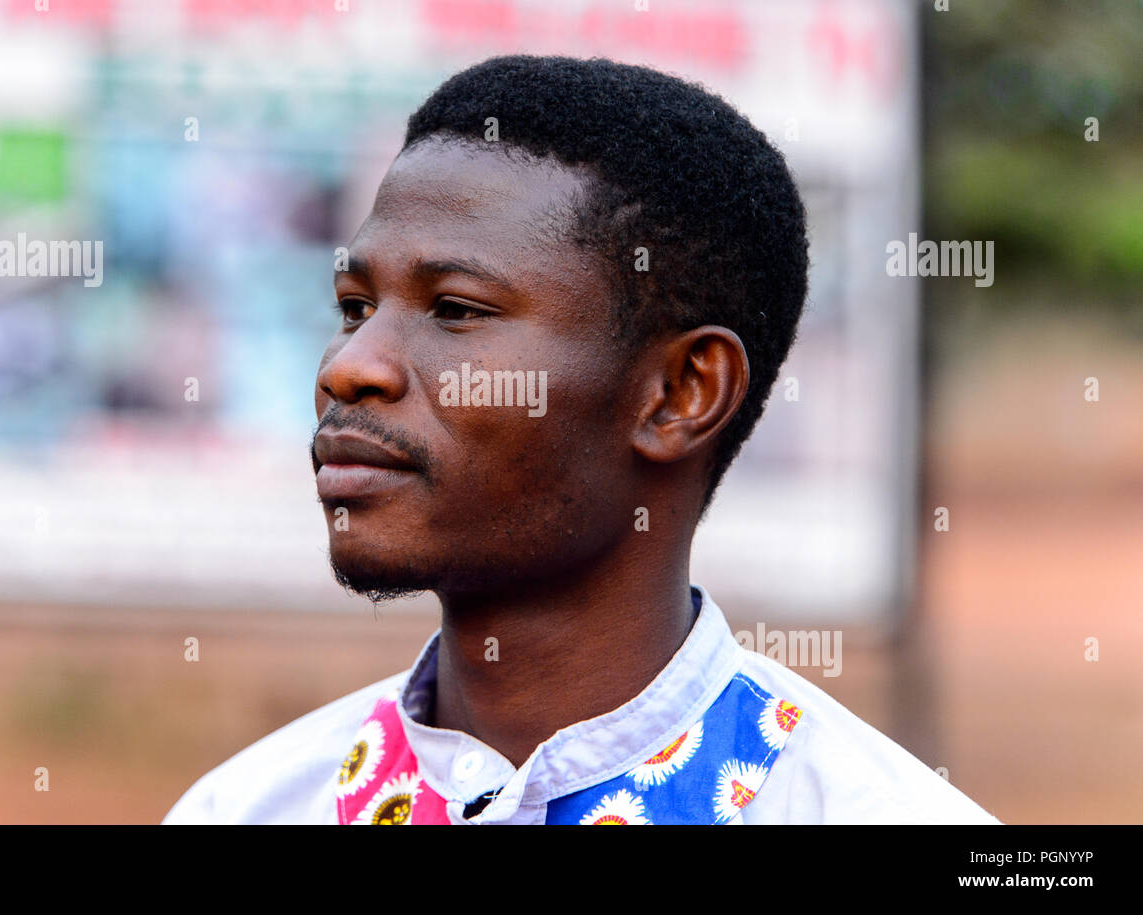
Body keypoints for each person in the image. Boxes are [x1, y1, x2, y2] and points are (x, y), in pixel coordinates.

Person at [164, 54, 999, 825]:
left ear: (680, 393)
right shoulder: (247, 807)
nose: (351, 367)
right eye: (354, 307)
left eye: (455, 309)